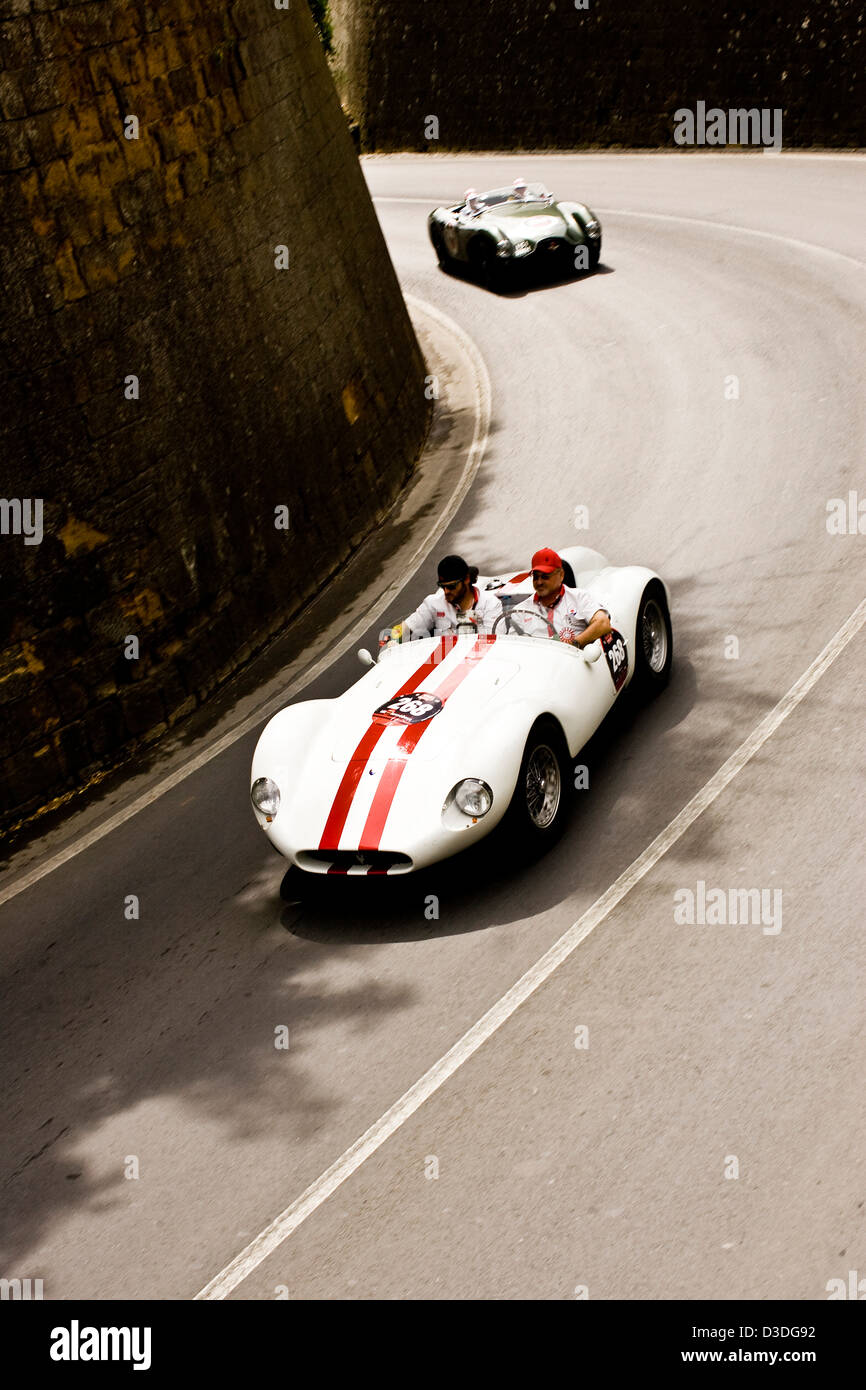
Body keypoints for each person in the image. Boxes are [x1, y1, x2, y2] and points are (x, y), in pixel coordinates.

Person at [383, 555, 503, 646]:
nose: (446, 592)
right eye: (442, 586)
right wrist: (391, 638)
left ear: (466, 579)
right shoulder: (434, 603)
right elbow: (407, 626)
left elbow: (494, 643)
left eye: (451, 586)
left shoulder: (491, 604)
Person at [511, 547, 611, 646]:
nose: (539, 582)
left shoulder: (580, 597)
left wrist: (575, 644)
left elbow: (603, 623)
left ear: (561, 575)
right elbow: (513, 645)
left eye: (545, 576)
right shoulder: (520, 611)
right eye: (536, 577)